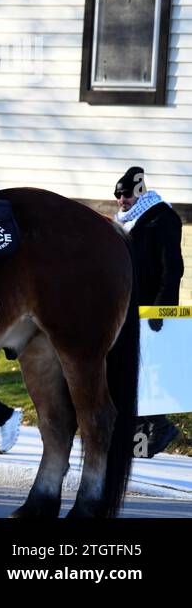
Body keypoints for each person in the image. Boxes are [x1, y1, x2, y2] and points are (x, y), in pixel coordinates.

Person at [115, 166, 184, 457]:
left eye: (127, 194)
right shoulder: (125, 223)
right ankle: (139, 438)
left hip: (154, 309)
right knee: (132, 371)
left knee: (150, 373)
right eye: (118, 195)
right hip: (129, 309)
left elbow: (174, 268)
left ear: (140, 190)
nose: (121, 200)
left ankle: (159, 427)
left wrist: (162, 309)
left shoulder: (162, 218)